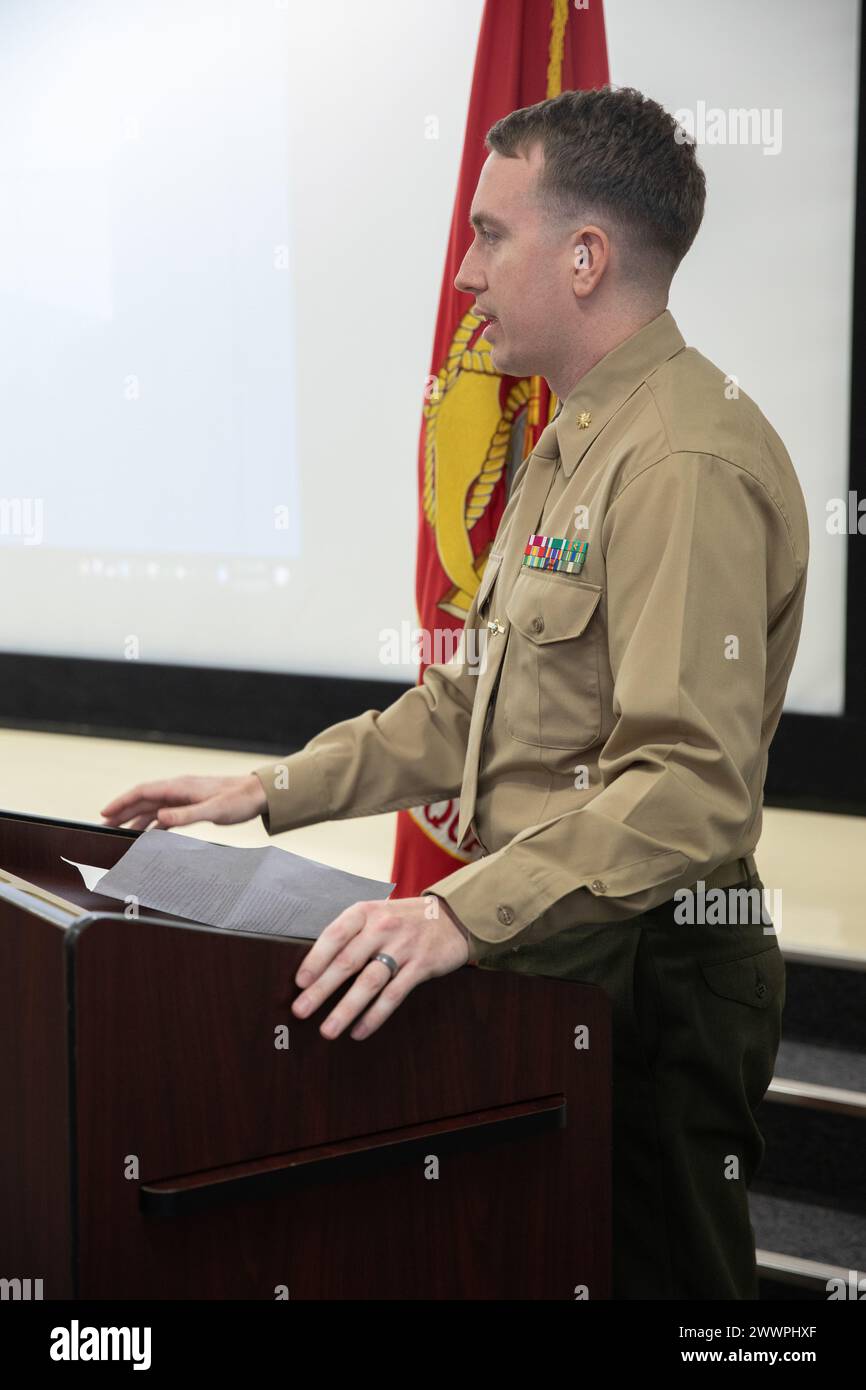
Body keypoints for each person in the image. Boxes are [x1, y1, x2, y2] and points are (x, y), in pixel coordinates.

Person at [100, 86, 809, 1299]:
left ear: (584, 257)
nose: (464, 275)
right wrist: (264, 788)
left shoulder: (680, 459)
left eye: (491, 232)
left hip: (653, 975)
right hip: (562, 945)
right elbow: (460, 707)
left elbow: (686, 789)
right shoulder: (576, 440)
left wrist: (458, 914)